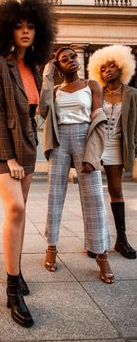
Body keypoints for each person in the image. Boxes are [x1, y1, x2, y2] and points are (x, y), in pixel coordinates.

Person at [0, 0, 55, 327]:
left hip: (27, 143)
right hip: (1, 145)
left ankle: (16, 268)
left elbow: (34, 109)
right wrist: (9, 156)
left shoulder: (35, 68)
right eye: (18, 26)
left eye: (30, 26)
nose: (25, 31)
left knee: (21, 213)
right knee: (15, 209)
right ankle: (13, 288)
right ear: (7, 30)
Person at [39, 47, 114, 284]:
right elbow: (43, 110)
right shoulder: (56, 90)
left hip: (85, 138)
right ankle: (51, 247)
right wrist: (47, 76)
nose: (71, 60)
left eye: (73, 57)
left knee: (94, 197)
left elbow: (99, 119)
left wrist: (93, 156)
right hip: (59, 140)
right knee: (54, 195)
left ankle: (101, 255)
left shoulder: (92, 86)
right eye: (64, 59)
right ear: (58, 65)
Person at [88, 44, 136, 259]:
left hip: (117, 146)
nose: (107, 70)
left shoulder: (132, 94)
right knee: (93, 194)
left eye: (112, 66)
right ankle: (95, 241)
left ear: (122, 69)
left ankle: (121, 239)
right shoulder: (95, 92)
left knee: (116, 191)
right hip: (96, 146)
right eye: (104, 68)